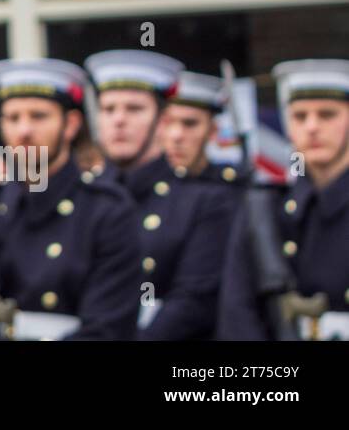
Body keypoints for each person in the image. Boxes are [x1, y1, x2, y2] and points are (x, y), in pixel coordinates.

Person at [0, 59, 139, 340]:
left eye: (38, 116)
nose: (23, 131)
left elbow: (108, 327)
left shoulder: (106, 211)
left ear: (71, 124)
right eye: (12, 118)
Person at [84, 50, 233, 340]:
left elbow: (194, 301)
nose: (119, 120)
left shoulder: (204, 200)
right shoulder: (84, 197)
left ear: (162, 120)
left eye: (134, 109)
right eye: (108, 109)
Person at [218, 59, 349, 340]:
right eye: (300, 116)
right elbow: (238, 311)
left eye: (327, 115)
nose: (312, 127)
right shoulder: (266, 207)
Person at [166, 71, 243, 189]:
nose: (176, 135)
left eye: (190, 124)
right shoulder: (143, 185)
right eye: (168, 122)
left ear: (213, 130)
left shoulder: (229, 187)